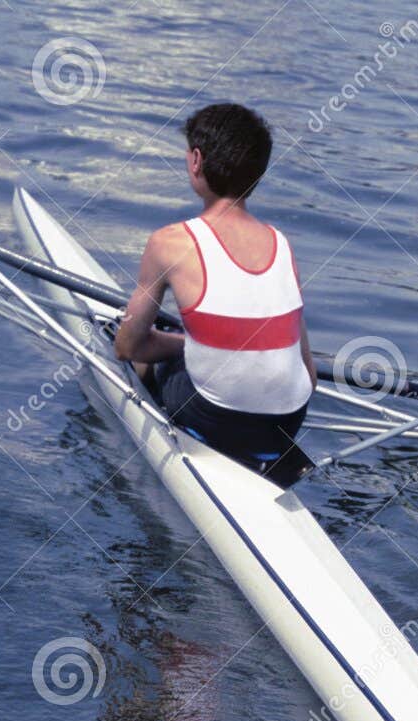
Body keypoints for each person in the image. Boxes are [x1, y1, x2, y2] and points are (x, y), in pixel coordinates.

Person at [114, 102, 316, 474]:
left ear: (195, 160)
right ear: (259, 172)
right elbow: (309, 371)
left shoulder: (169, 242)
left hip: (216, 420)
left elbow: (128, 346)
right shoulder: (281, 243)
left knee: (143, 352)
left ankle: (156, 418)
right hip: (287, 424)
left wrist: (178, 343)